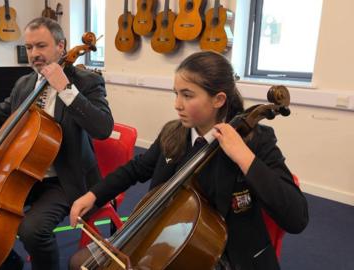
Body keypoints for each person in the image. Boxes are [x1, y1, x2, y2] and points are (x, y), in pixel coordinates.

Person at [69, 51, 309, 270]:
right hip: (164, 243)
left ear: (218, 100)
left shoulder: (254, 141)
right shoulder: (174, 133)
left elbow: (296, 217)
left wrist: (245, 157)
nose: (177, 104)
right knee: (79, 263)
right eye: (176, 93)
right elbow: (136, 169)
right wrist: (94, 195)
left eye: (187, 95)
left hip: (226, 256)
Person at [0, 17, 113, 270]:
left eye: (41, 46)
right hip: (23, 174)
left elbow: (103, 128)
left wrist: (65, 88)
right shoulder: (26, 83)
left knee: (31, 230)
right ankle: (7, 263)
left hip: (65, 178)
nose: (34, 54)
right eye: (29, 48)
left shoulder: (86, 81)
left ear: (61, 46)